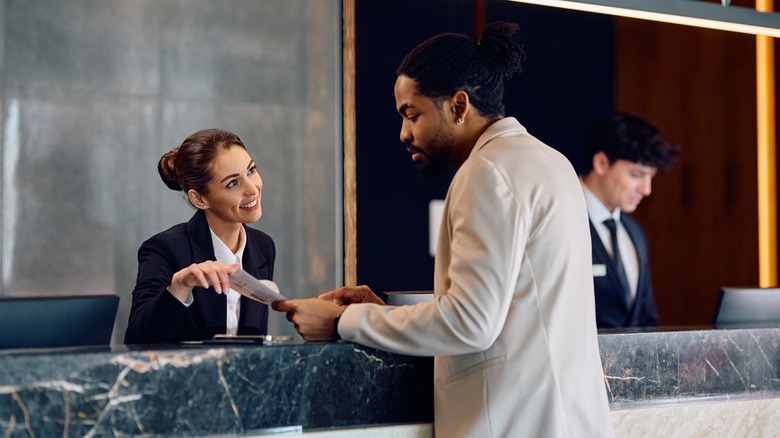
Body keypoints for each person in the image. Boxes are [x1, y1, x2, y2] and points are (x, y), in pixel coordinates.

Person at [274, 22, 614, 437]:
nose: (403, 133)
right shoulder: (551, 162)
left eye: (411, 114)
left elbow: (471, 323)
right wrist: (387, 313)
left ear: (458, 105)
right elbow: (512, 307)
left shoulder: (486, 172)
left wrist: (344, 321)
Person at [125, 129, 276, 344]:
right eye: (233, 183)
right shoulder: (163, 249)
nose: (253, 189)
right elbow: (137, 340)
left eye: (251, 170)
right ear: (199, 199)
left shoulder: (263, 247)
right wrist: (179, 286)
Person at [580, 113, 678, 328]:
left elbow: (646, 318)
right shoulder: (562, 220)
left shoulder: (634, 231)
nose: (646, 189)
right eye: (636, 174)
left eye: (650, 177)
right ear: (601, 163)